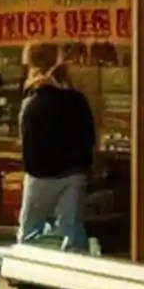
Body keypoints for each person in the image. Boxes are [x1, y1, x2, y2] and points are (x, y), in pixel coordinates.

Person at [18, 43, 94, 251]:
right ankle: (73, 270)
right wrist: (85, 165)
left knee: (30, 230)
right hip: (73, 172)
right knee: (70, 228)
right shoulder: (77, 100)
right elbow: (89, 136)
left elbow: (27, 143)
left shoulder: (32, 103)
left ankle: (28, 273)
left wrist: (31, 168)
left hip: (40, 175)